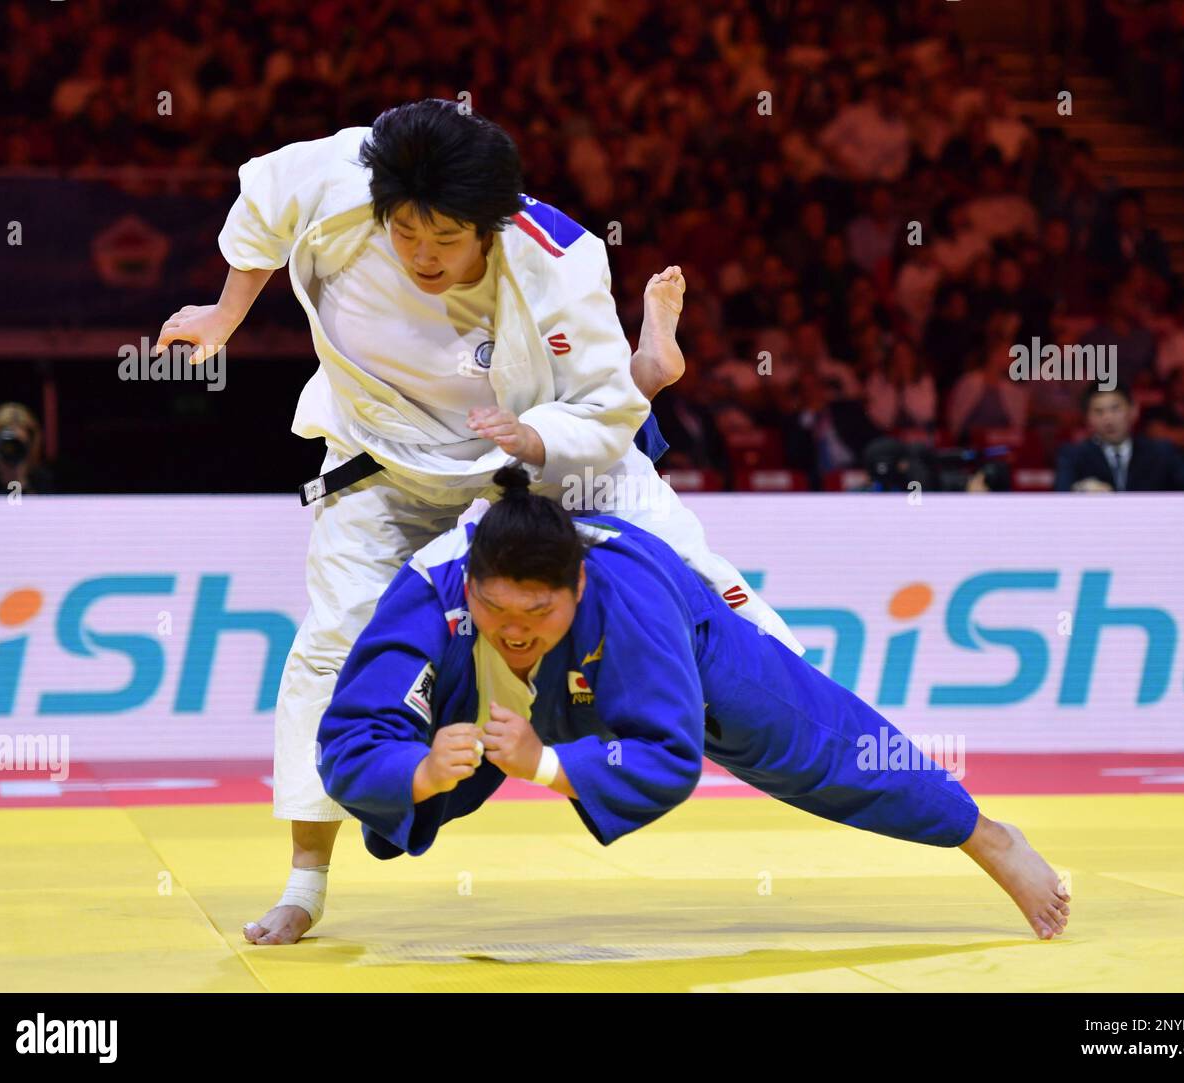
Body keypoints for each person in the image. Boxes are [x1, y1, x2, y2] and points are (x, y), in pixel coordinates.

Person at [155, 99, 801, 946]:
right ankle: (303, 884)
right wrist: (225, 314)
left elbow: (600, 413)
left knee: (701, 581)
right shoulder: (337, 178)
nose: (422, 255)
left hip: (532, 461)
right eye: (407, 234)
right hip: (380, 465)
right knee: (329, 644)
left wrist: (537, 434)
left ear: (491, 227)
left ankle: (826, 720)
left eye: (445, 240)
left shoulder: (560, 258)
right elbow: (258, 215)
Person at [316, 465, 1072, 942]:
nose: (514, 631)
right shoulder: (430, 593)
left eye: (535, 614)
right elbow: (350, 733)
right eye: (495, 610)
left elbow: (669, 757)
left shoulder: (627, 591)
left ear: (576, 589)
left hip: (688, 647)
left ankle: (987, 836)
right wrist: (416, 773)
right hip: (492, 694)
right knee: (405, 785)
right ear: (469, 585)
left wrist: (545, 763)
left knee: (822, 749)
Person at [1054, 384, 1184, 492]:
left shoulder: (1161, 452)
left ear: (1134, 411)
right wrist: (1080, 490)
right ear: (1088, 419)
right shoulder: (1073, 455)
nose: (1108, 419)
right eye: (1099, 412)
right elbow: (1060, 494)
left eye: (1115, 409)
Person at [0, 403, 52, 495]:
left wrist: (18, 482)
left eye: (18, 445)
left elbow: (21, 507)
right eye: (5, 444)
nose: (11, 451)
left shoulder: (41, 481)